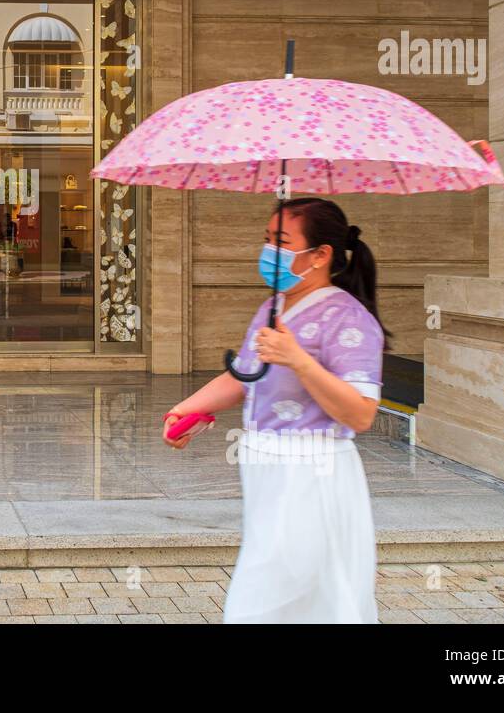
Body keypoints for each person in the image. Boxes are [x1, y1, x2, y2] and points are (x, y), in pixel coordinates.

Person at [163, 197, 388, 623]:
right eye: (267, 239)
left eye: (281, 241)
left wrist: (299, 359)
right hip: (266, 468)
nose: (268, 251)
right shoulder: (274, 309)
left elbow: (360, 414)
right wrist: (185, 410)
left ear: (320, 255)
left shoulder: (349, 318)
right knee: (307, 600)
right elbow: (243, 377)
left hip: (313, 473)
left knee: (262, 602)